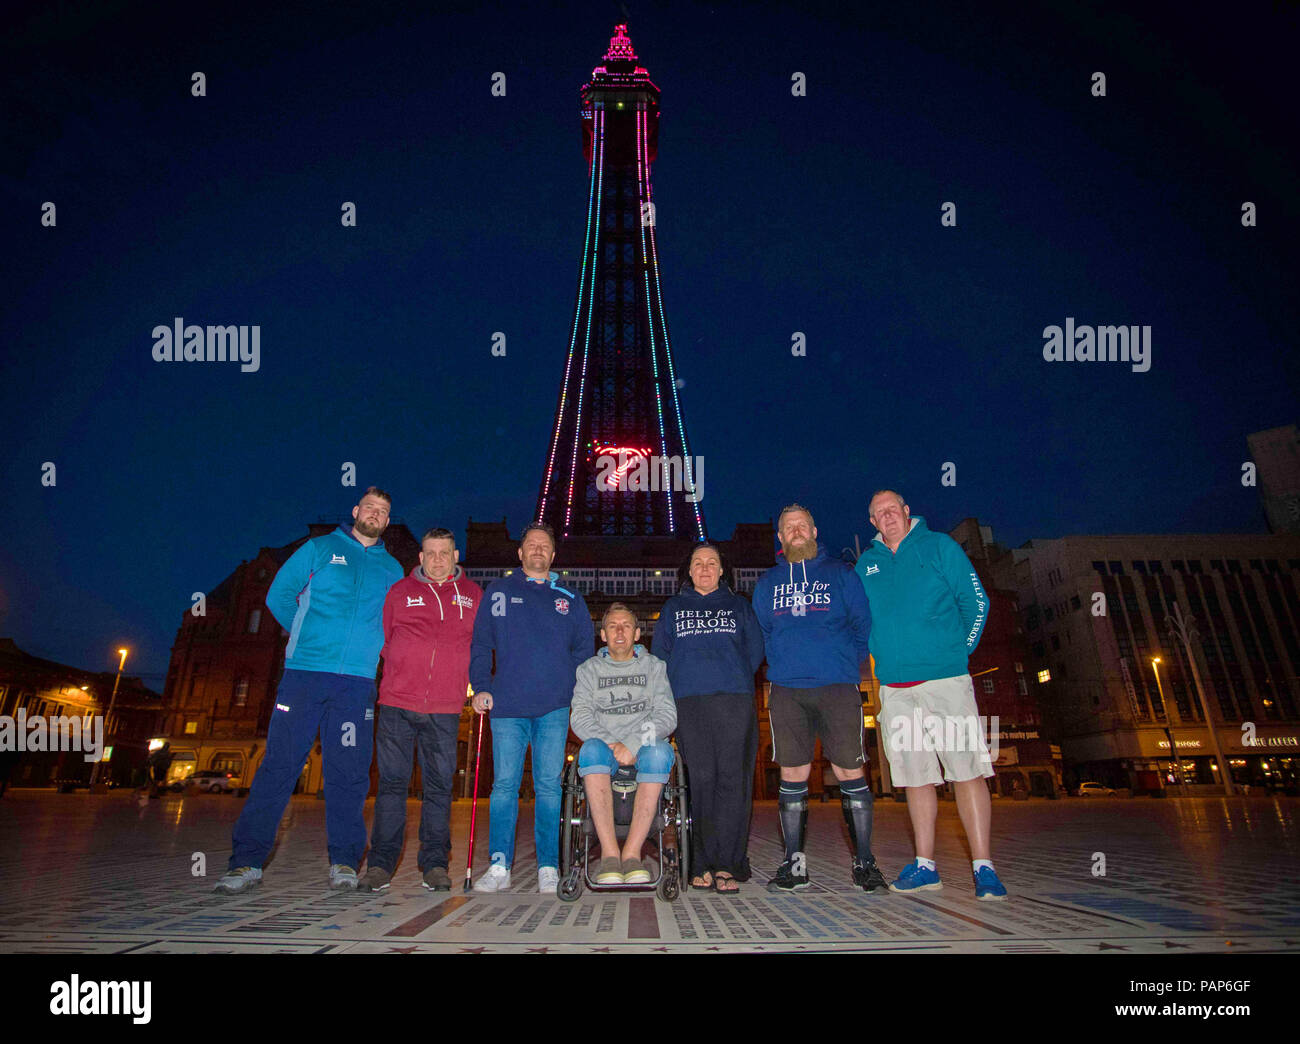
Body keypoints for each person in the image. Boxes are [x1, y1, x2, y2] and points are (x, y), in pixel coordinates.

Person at [215, 488, 403, 893]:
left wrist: (376, 653)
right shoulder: (319, 548)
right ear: (356, 510)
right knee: (280, 765)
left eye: (383, 511)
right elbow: (279, 596)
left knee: (350, 773)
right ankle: (246, 862)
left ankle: (345, 861)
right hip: (305, 675)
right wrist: (306, 634)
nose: (375, 514)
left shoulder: (392, 569)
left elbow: (393, 623)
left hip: (356, 684)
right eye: (369, 507)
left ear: (388, 521)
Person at [855, 489, 1007, 901]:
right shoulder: (867, 564)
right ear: (872, 522)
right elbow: (860, 620)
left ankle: (984, 867)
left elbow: (976, 602)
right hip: (895, 689)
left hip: (945, 682)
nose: (887, 516)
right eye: (878, 513)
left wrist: (957, 651)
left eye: (892, 509)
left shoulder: (940, 546)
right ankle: (925, 866)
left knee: (966, 770)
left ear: (907, 512)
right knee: (915, 776)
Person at [752, 504, 889, 894]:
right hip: (787, 690)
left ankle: (865, 862)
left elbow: (863, 627)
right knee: (793, 774)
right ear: (780, 538)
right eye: (788, 527)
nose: (796, 531)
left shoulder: (841, 574)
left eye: (802, 525)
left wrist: (841, 663)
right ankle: (794, 864)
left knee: (850, 771)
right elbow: (764, 632)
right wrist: (787, 662)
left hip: (837, 686)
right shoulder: (767, 583)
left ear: (814, 532)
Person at [469, 523, 591, 893]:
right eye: (531, 545)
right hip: (507, 705)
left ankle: (548, 865)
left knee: (549, 786)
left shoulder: (570, 597)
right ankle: (499, 864)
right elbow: (481, 643)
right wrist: (482, 686)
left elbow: (584, 650)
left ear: (553, 555)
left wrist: (571, 690)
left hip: (554, 707)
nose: (538, 550)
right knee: (504, 784)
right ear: (520, 553)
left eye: (544, 546)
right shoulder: (499, 591)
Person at [359, 528, 482, 893]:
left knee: (439, 787)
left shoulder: (473, 595)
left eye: (444, 553)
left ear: (456, 556)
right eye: (431, 553)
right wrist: (404, 666)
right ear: (421, 557)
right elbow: (384, 640)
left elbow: (479, 646)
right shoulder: (400, 591)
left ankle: (434, 864)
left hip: (445, 706)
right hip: (397, 702)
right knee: (392, 785)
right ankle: (380, 864)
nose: (437, 559)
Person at [653, 543, 764, 893]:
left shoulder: (739, 606)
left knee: (732, 779)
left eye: (711, 562)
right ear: (689, 571)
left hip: (733, 699)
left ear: (721, 570)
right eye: (698, 563)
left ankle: (728, 862)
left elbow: (755, 651)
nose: (704, 568)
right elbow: (660, 654)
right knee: (699, 779)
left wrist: (729, 677)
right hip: (690, 702)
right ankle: (699, 860)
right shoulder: (673, 608)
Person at [571, 604, 677, 884]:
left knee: (659, 753)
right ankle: (609, 854)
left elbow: (666, 715)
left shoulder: (655, 667)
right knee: (589, 750)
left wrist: (633, 744)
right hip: (605, 748)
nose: (619, 632)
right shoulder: (588, 670)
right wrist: (613, 744)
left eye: (626, 626)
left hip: (644, 747)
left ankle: (632, 853)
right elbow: (580, 717)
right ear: (603, 635)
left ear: (637, 634)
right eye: (613, 626)